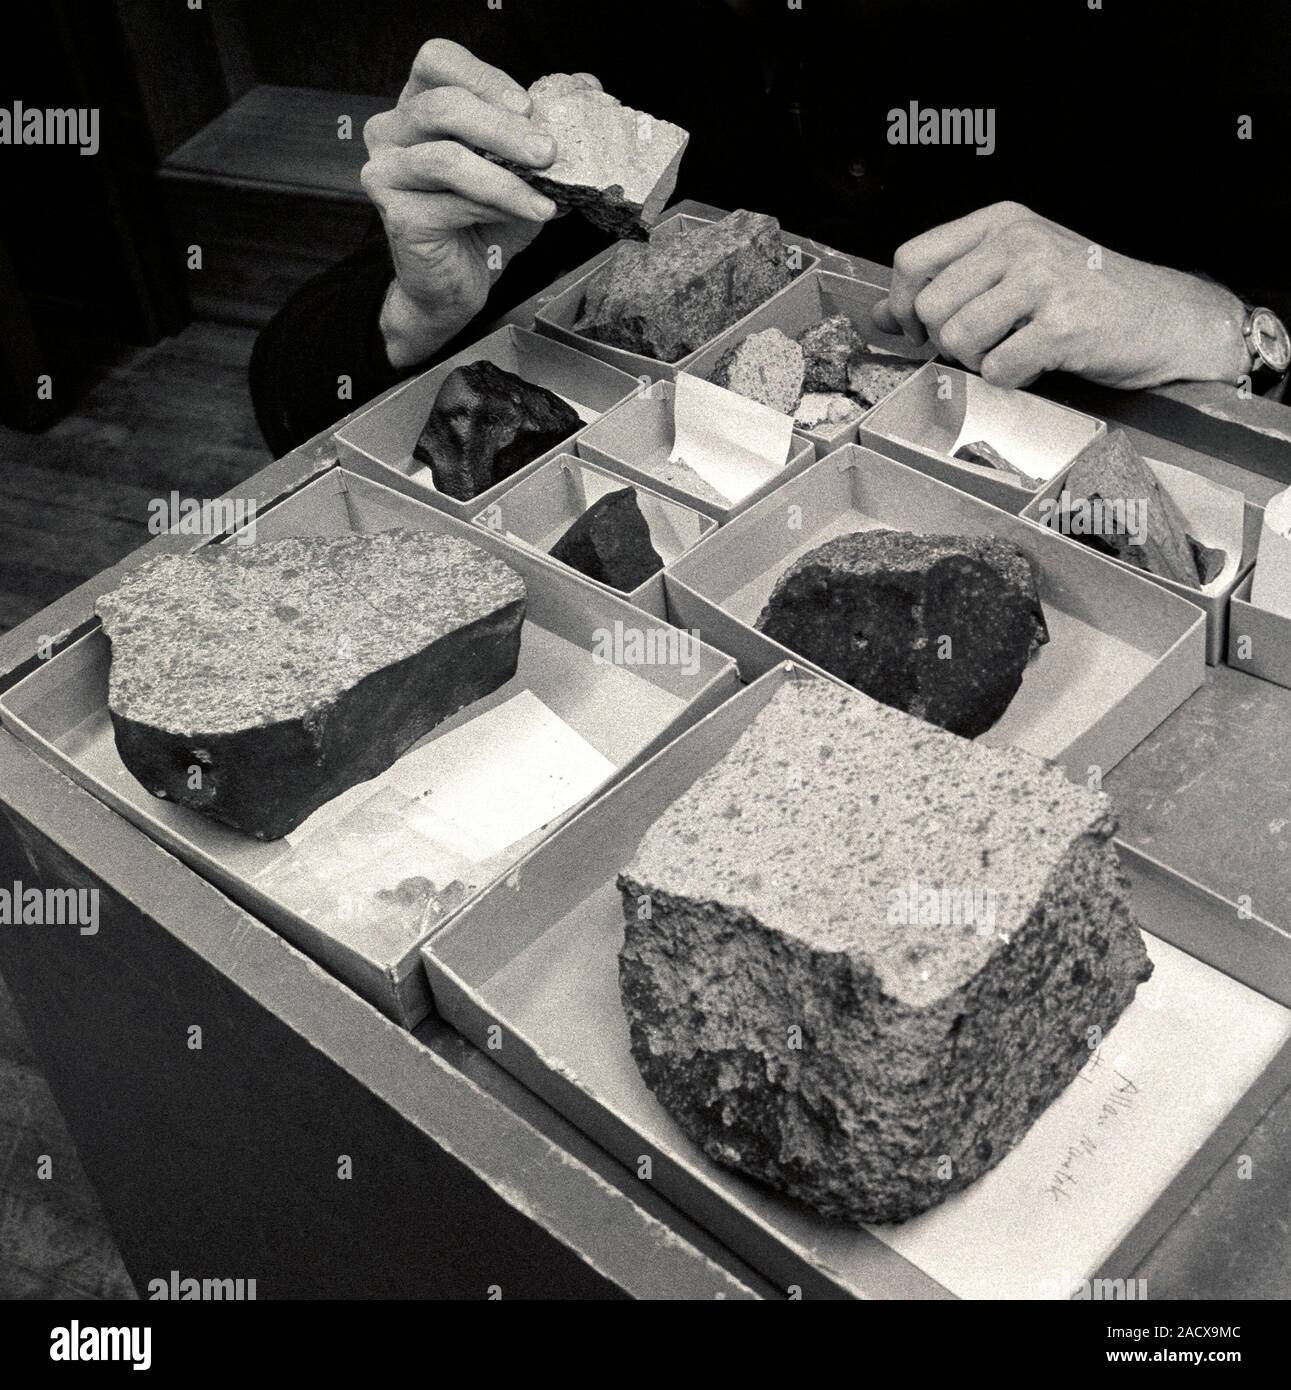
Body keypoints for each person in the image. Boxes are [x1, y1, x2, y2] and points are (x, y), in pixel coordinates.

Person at [250, 0, 1291, 456]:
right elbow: (295, 394)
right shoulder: (612, 28)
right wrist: (413, 314)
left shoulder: (1195, 37)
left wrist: (1228, 331)